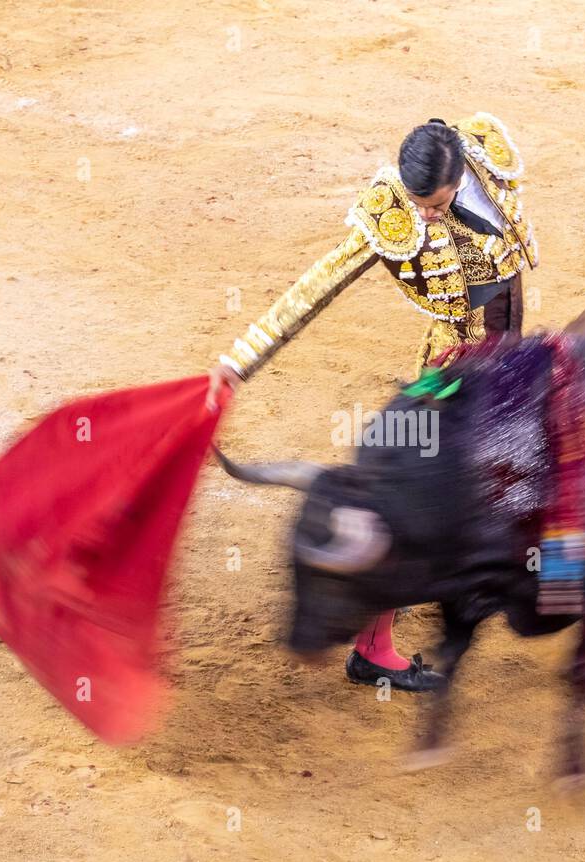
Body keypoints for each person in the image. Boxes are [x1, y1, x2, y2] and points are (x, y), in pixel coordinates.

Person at [207, 113, 538, 692]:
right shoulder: (392, 213)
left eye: (434, 203)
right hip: (449, 367)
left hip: (507, 345)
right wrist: (241, 360)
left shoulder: (483, 156)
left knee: (521, 474)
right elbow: (316, 284)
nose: (425, 215)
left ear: (461, 173)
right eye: (419, 204)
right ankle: (372, 651)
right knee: (412, 502)